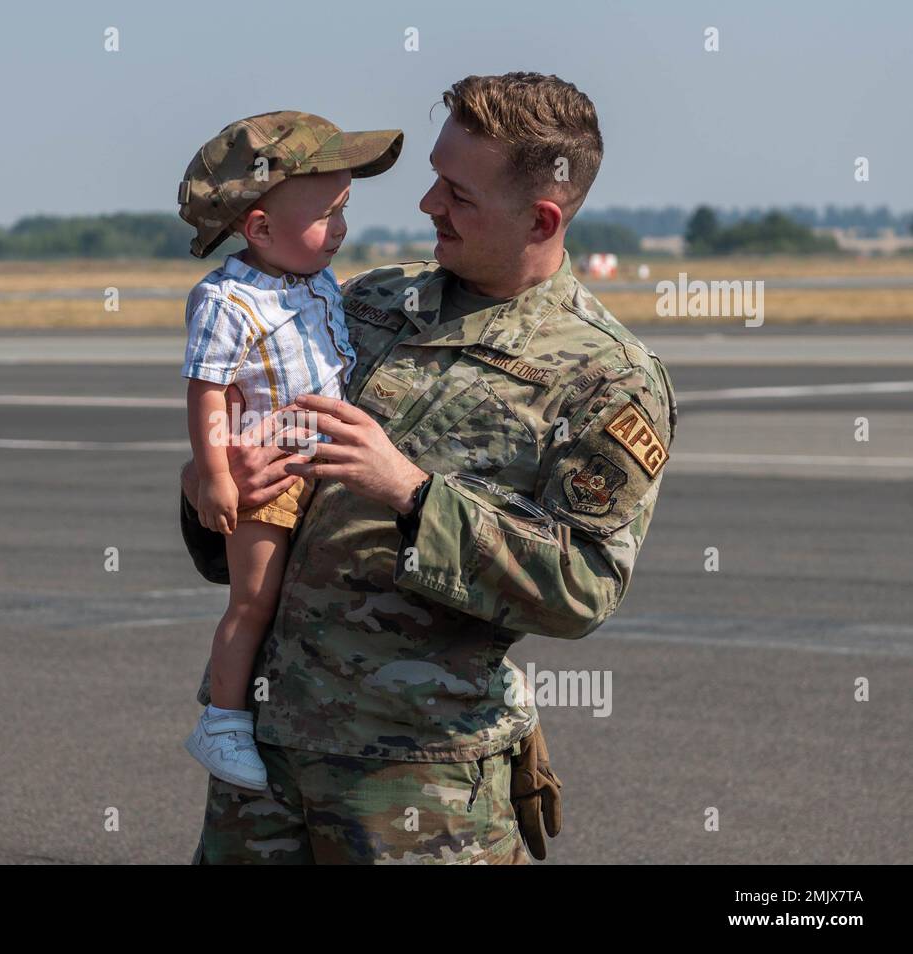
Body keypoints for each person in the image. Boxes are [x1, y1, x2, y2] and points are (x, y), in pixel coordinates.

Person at [177, 72, 677, 864]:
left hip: (419, 787)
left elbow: (582, 588)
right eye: (434, 180)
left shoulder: (605, 377)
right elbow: (231, 530)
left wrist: (411, 494)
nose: (426, 206)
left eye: (457, 193)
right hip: (264, 758)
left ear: (541, 218)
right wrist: (216, 483)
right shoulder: (362, 304)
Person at [175, 111, 403, 791]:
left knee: (283, 596)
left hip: (319, 470)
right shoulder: (228, 299)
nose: (340, 230)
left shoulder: (318, 280)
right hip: (270, 479)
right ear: (261, 229)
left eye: (344, 212)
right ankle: (223, 720)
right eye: (325, 215)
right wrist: (215, 475)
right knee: (254, 601)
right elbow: (207, 391)